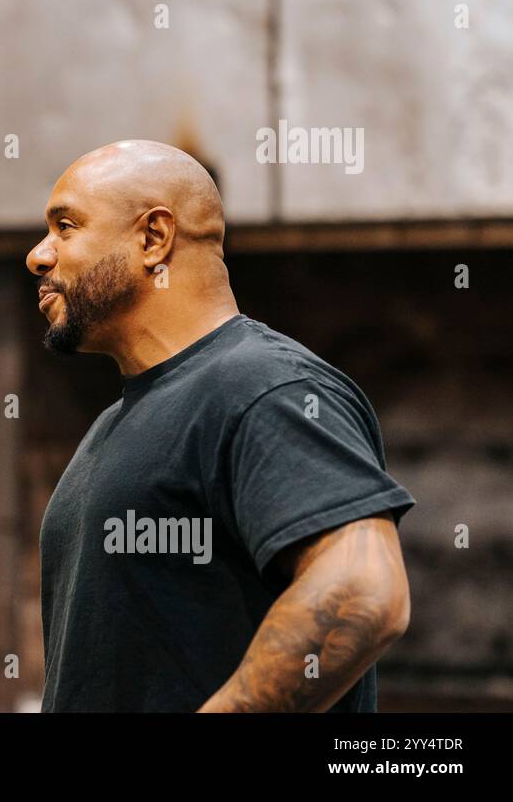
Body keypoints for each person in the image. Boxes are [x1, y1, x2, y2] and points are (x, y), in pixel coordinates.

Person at [25, 139, 415, 712]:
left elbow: (363, 591)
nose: (38, 255)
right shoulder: (111, 425)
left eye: (66, 226)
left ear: (153, 238)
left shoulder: (265, 387)